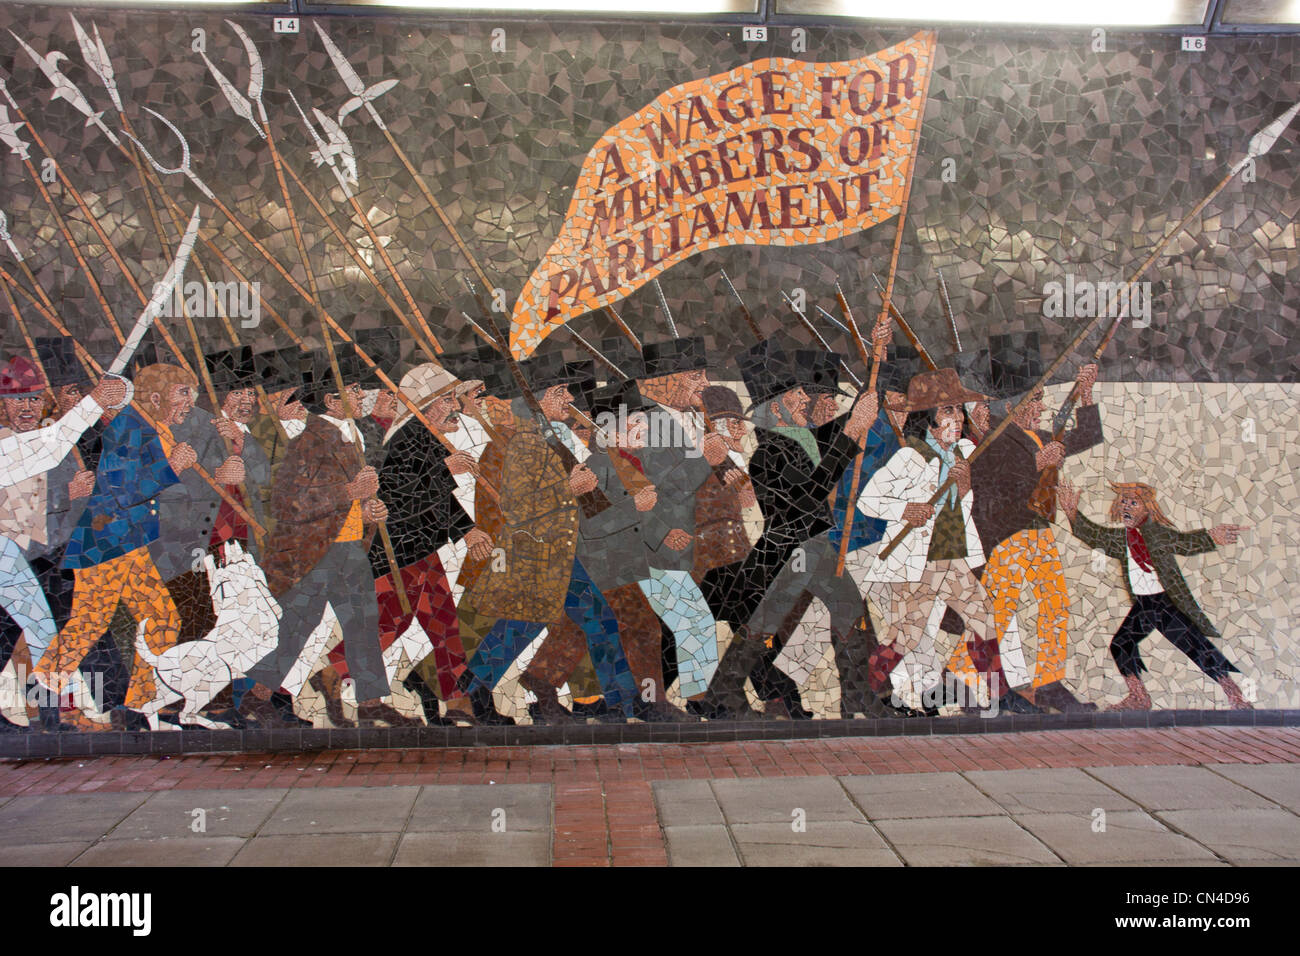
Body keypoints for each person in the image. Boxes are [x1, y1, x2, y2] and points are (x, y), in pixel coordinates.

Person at [699, 341, 877, 718]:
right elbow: (809, 495)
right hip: (787, 551)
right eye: (796, 394)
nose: (804, 401)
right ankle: (722, 692)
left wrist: (876, 357)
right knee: (763, 623)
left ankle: (857, 696)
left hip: (813, 547)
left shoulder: (805, 437)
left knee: (848, 609)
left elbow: (845, 426)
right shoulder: (768, 453)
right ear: (775, 404)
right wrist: (850, 434)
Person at [241, 351, 410, 727]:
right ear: (333, 400)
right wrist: (349, 492)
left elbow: (347, 498)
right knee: (298, 625)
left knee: (363, 622)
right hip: (316, 551)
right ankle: (254, 696)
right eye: (354, 389)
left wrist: (368, 512)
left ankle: (369, 702)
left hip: (348, 548)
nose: (363, 395)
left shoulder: (351, 436)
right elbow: (290, 502)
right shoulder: (310, 442)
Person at [35, 362, 190, 729]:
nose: (189, 402)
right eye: (183, 393)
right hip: (107, 546)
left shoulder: (148, 426)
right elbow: (122, 492)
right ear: (156, 397)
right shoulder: (128, 428)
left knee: (161, 619)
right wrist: (172, 468)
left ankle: (136, 706)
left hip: (126, 544)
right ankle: (43, 701)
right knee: (88, 625)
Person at [856, 367, 1005, 715]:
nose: (957, 418)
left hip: (951, 558)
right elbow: (868, 501)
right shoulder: (911, 457)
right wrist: (906, 508)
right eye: (948, 411)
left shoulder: (962, 455)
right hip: (917, 563)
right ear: (929, 421)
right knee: (905, 636)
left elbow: (961, 511)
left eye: (958, 410)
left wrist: (964, 488)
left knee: (985, 619)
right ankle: (872, 690)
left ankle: (998, 696)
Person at [1057, 479, 1252, 710]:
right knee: (1122, 644)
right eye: (1123, 501)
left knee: (1195, 646)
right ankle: (1139, 697)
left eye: (1133, 502)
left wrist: (1210, 537)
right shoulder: (1122, 539)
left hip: (1163, 603)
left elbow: (1184, 542)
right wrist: (1071, 511)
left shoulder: (1157, 534)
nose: (1126, 506)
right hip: (1144, 605)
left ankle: (1236, 696)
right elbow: (1096, 536)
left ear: (1147, 508)